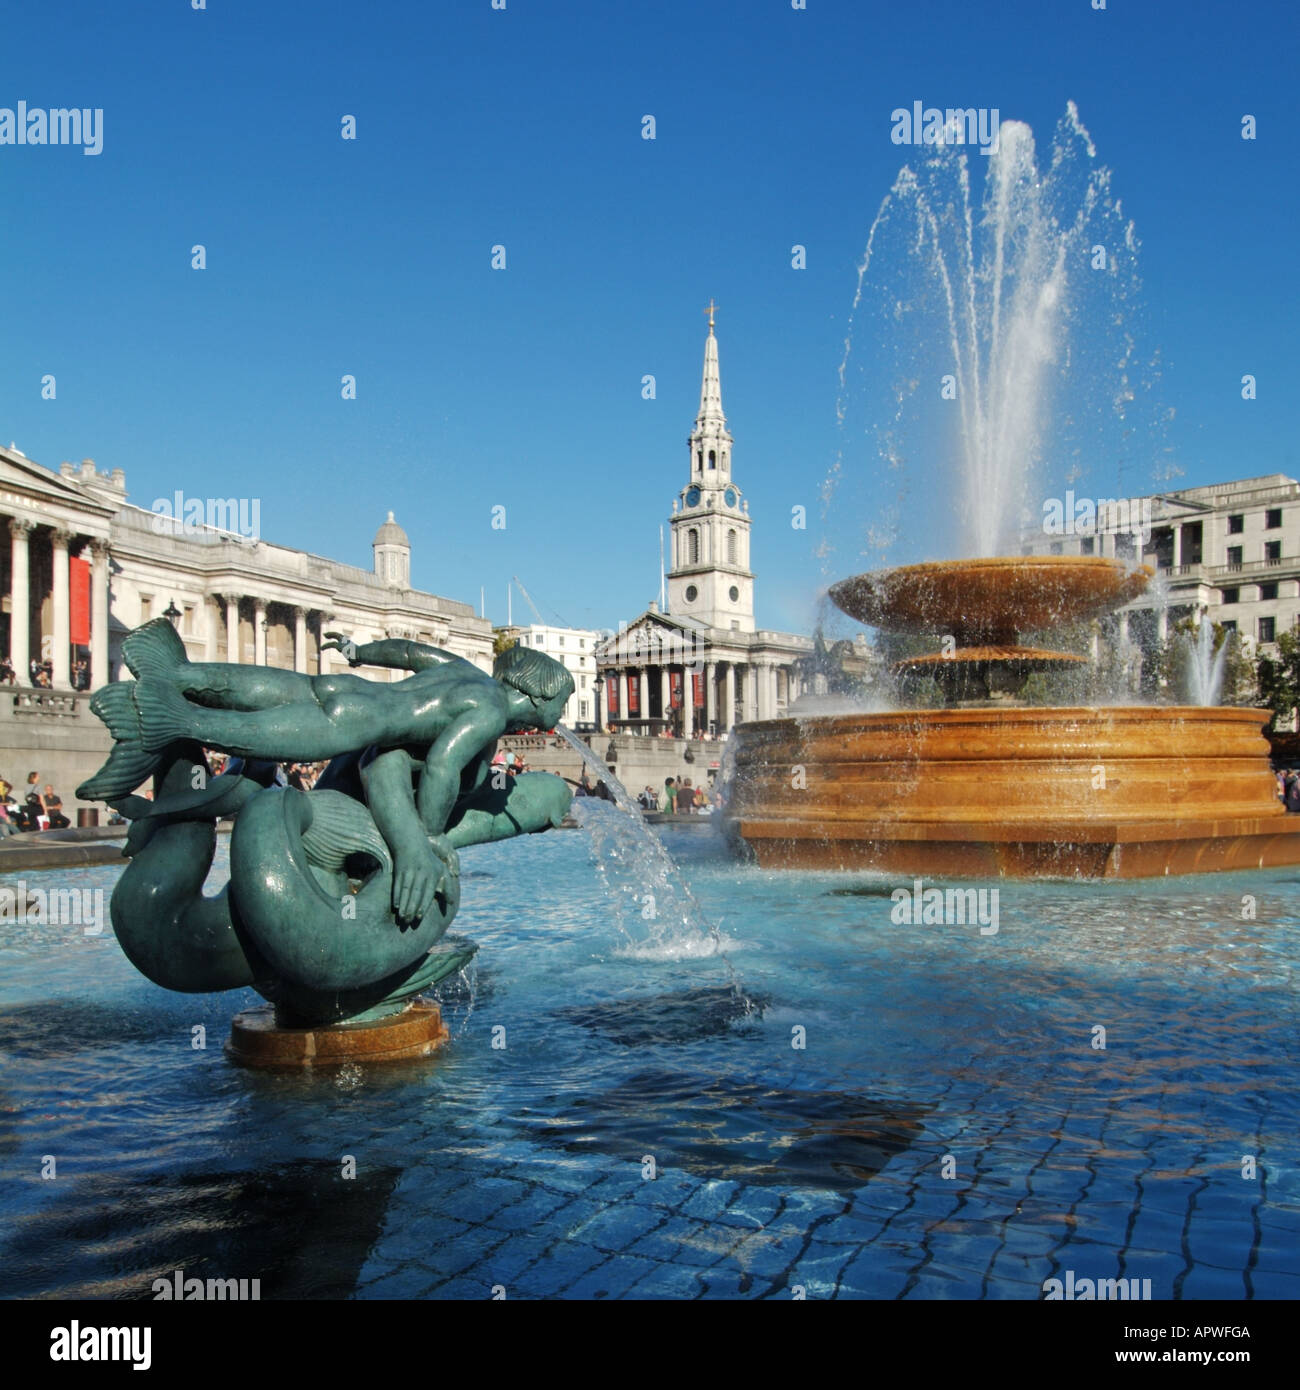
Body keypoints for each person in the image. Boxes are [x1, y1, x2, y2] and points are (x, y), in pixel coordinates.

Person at [81, 619, 574, 924]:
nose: (563, 713)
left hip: (347, 689)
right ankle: (161, 721)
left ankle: (178, 674)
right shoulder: (488, 713)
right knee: (216, 728)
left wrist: (359, 652)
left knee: (269, 690)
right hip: (350, 725)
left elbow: (407, 654)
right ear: (542, 697)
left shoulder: (467, 674)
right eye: (565, 701)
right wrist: (424, 837)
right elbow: (444, 763)